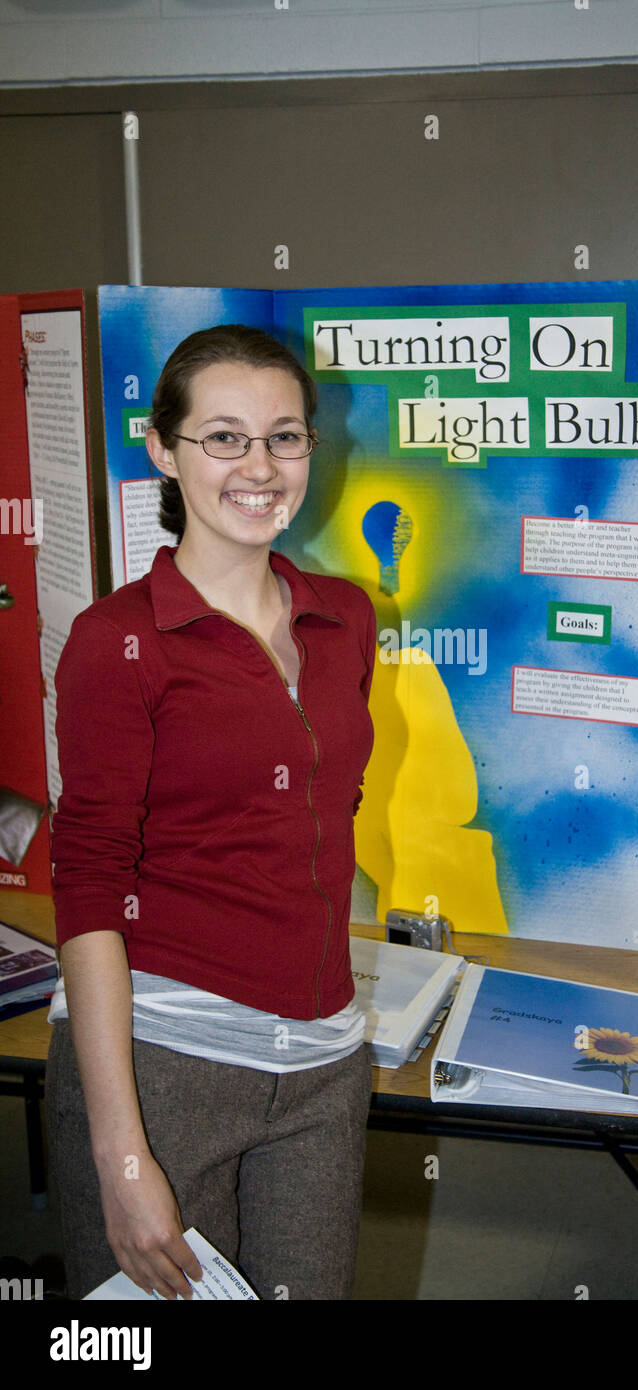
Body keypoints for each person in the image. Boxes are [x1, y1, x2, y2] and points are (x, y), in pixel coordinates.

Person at [45, 324, 377, 1301]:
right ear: (163, 449)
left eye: (284, 436)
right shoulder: (119, 640)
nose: (259, 466)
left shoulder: (343, 614)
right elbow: (90, 881)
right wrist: (124, 1159)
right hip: (161, 1062)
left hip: (323, 1066)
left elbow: (324, 817)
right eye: (223, 437)